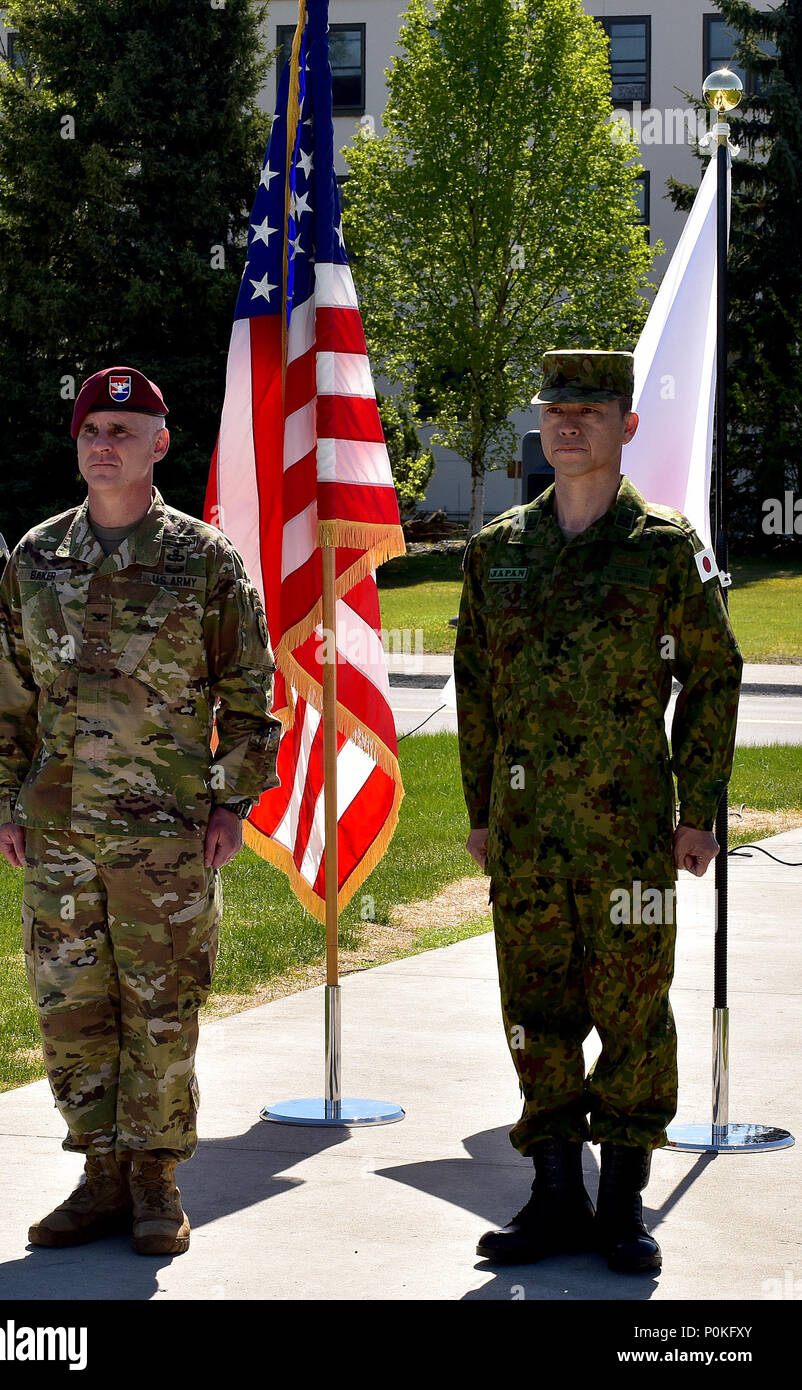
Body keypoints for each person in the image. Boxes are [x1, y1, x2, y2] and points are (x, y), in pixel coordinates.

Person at [0, 365, 281, 1257]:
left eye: (122, 430)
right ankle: (99, 1173)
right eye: (90, 432)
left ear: (160, 443)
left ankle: (156, 1179)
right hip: (59, 837)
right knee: (69, 1005)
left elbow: (252, 698)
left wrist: (233, 803)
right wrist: (7, 802)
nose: (102, 445)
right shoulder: (36, 559)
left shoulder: (204, 561)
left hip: (167, 834)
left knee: (160, 1006)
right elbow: (11, 695)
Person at [454, 349, 743, 1274]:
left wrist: (699, 809)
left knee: (633, 1011)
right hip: (529, 841)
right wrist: (479, 812)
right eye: (554, 409)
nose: (568, 424)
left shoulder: (665, 548)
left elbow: (714, 674)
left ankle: (621, 1205)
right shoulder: (496, 551)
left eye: (590, 409)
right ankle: (552, 1198)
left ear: (626, 426)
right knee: (532, 1015)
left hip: (631, 840)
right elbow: (474, 692)